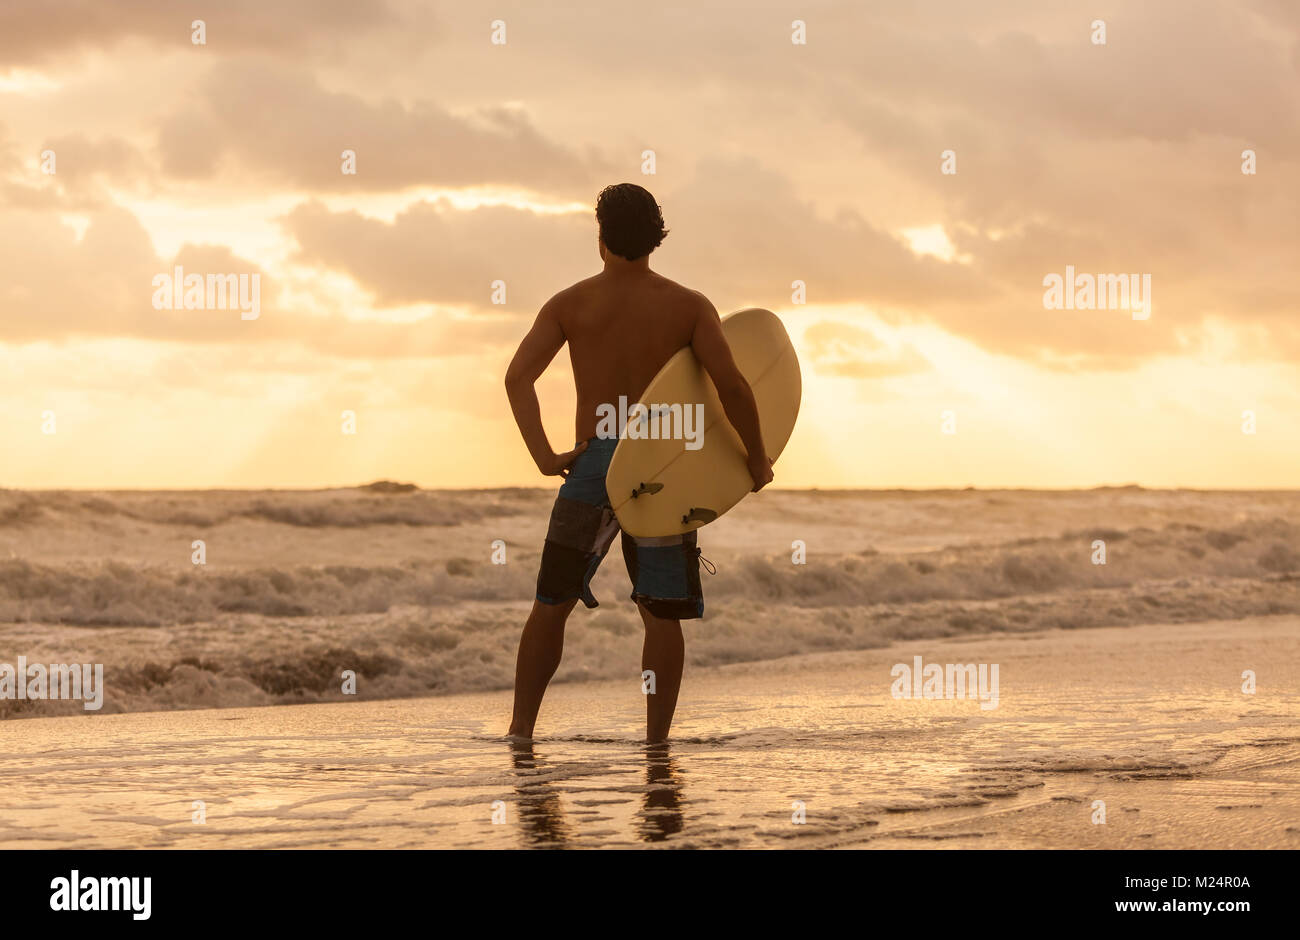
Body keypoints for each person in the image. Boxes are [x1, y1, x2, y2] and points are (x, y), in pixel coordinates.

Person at [504, 183, 772, 744]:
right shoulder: (689, 306)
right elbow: (733, 388)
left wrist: (545, 456)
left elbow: (518, 378)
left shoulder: (570, 303)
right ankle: (655, 744)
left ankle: (521, 734)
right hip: (660, 466)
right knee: (660, 615)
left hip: (595, 460)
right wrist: (755, 458)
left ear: (601, 238)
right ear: (656, 237)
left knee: (550, 606)